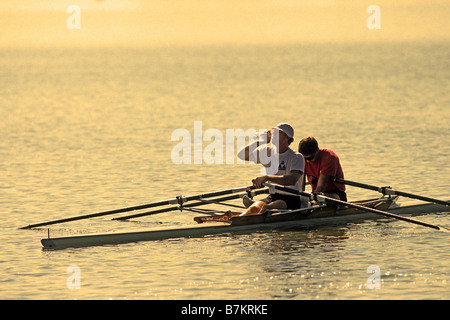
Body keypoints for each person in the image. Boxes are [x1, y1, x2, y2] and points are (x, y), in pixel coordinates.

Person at [237, 123, 306, 215]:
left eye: (277, 132)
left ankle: (265, 210)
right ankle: (241, 218)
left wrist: (267, 178)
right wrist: (260, 141)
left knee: (266, 207)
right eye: (273, 131)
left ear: (287, 138)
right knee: (253, 209)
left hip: (292, 198)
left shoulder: (296, 157)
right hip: (273, 196)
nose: (273, 134)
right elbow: (241, 155)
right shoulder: (267, 152)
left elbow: (292, 179)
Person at [298, 136, 347, 201]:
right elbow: (301, 186)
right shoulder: (301, 159)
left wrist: (313, 199)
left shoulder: (329, 157)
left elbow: (321, 186)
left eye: (310, 158)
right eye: (305, 158)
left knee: (321, 197)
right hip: (317, 195)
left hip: (336, 195)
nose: (307, 161)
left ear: (317, 150)